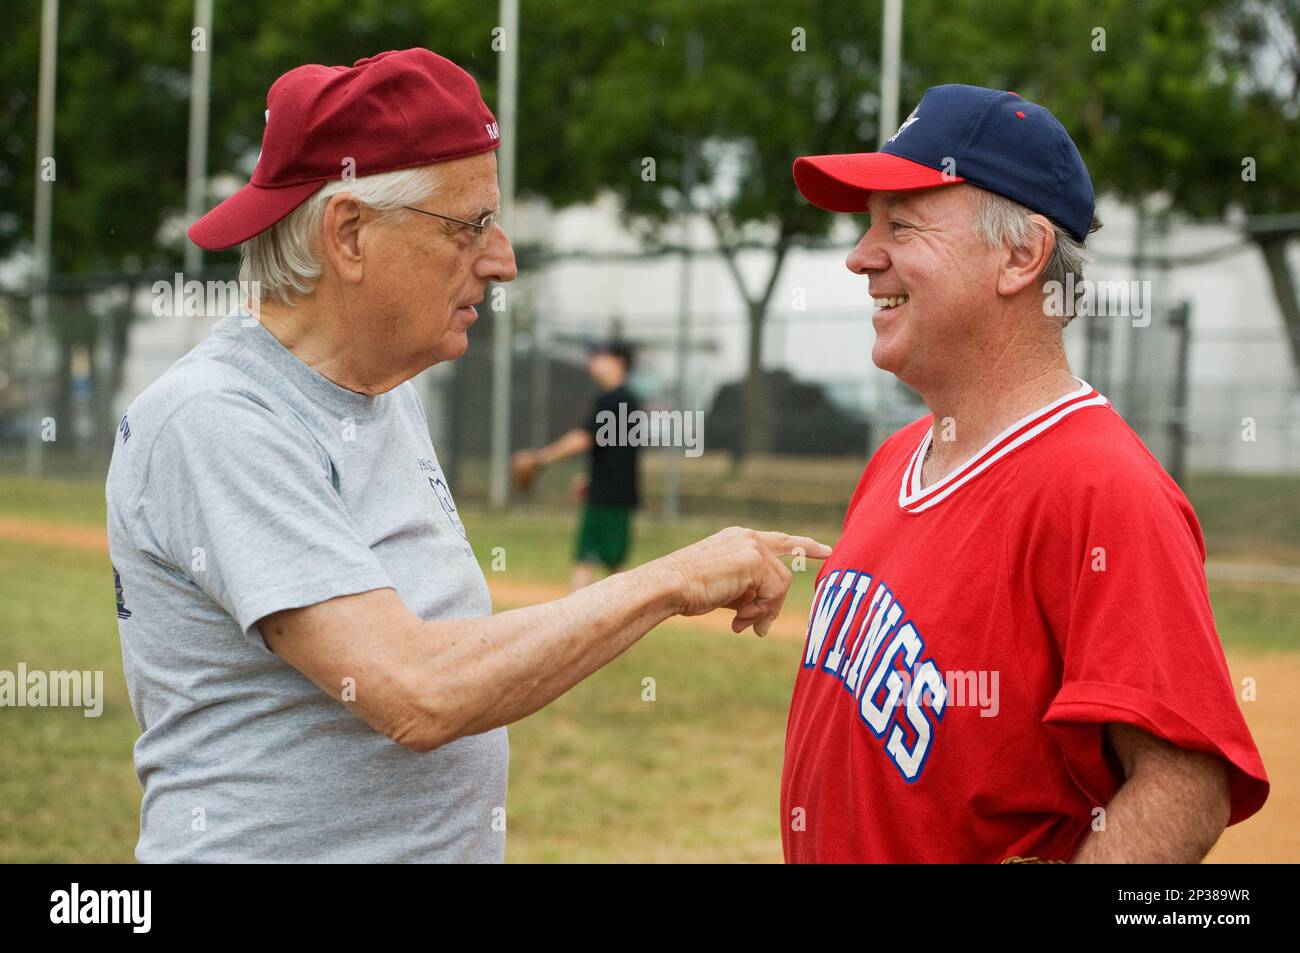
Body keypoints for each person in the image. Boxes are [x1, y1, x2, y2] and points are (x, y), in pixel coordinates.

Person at [106, 48, 828, 863]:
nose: (503, 259)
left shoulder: (384, 391)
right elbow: (417, 692)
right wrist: (671, 578)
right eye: (471, 225)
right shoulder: (216, 418)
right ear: (348, 233)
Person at [780, 84, 1269, 863]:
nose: (860, 256)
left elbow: (1184, 786)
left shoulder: (1103, 490)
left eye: (899, 225)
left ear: (1020, 255)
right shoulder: (895, 459)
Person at [514, 342, 639, 589]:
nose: (593, 363)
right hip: (614, 493)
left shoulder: (613, 398)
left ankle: (574, 622)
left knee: (587, 560)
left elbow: (582, 440)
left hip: (607, 497)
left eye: (600, 357)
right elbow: (616, 450)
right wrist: (591, 477)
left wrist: (540, 459)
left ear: (618, 362)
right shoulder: (627, 398)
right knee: (613, 565)